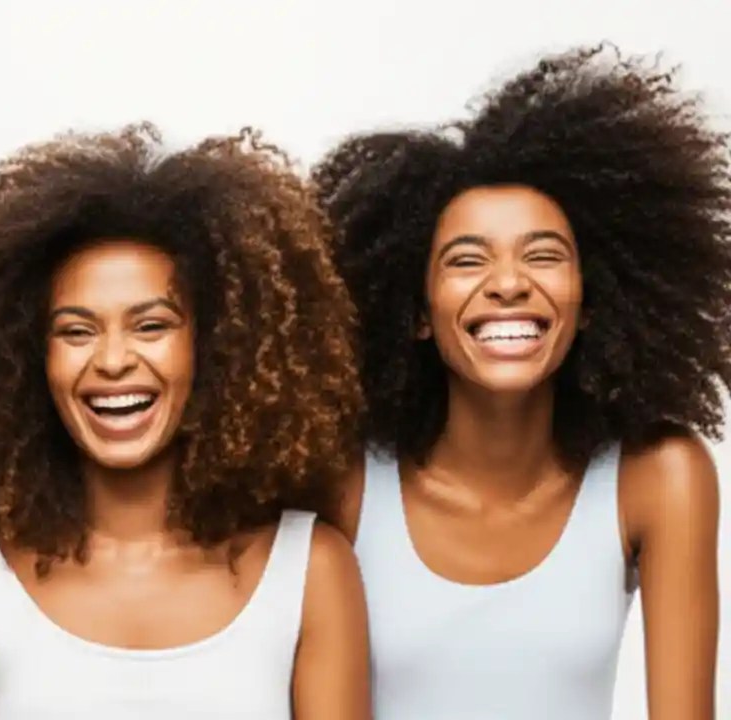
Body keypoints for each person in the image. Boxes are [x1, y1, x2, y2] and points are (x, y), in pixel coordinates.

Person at [0, 125, 371, 719]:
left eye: (151, 326)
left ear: (217, 346)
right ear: (26, 359)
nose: (114, 360)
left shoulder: (312, 572)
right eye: (76, 331)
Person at [312, 45, 728, 719]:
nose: (508, 284)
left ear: (590, 301)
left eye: (543, 255)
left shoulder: (658, 478)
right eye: (467, 260)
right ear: (416, 312)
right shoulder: (345, 479)